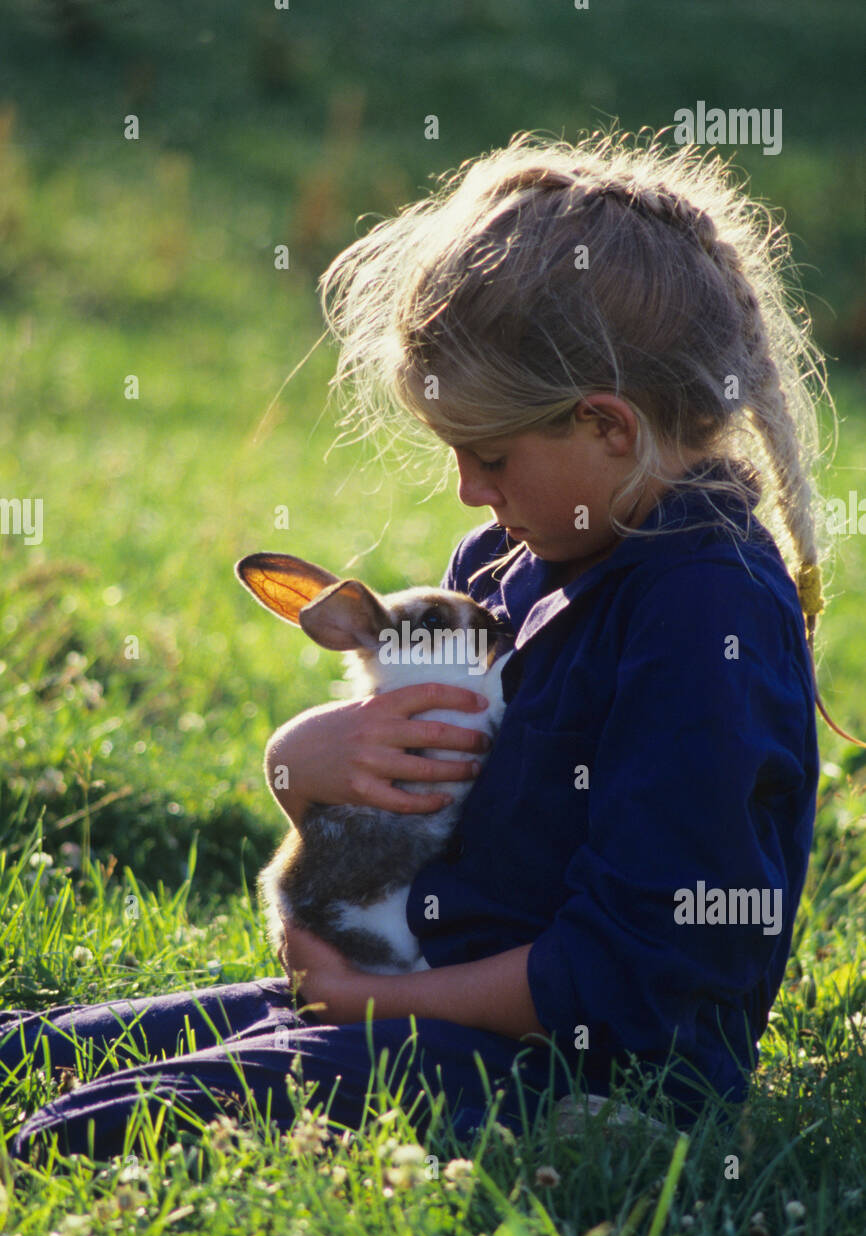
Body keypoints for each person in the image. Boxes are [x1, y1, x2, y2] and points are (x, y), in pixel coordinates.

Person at [2, 129, 850, 1161]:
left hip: (578, 1062)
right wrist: (303, 764)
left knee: (93, 1127)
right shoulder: (510, 558)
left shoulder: (703, 613)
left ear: (608, 427)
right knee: (28, 1053)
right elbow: (428, 819)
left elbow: (637, 972)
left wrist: (362, 999)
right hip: (414, 994)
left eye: (488, 456)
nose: (467, 492)